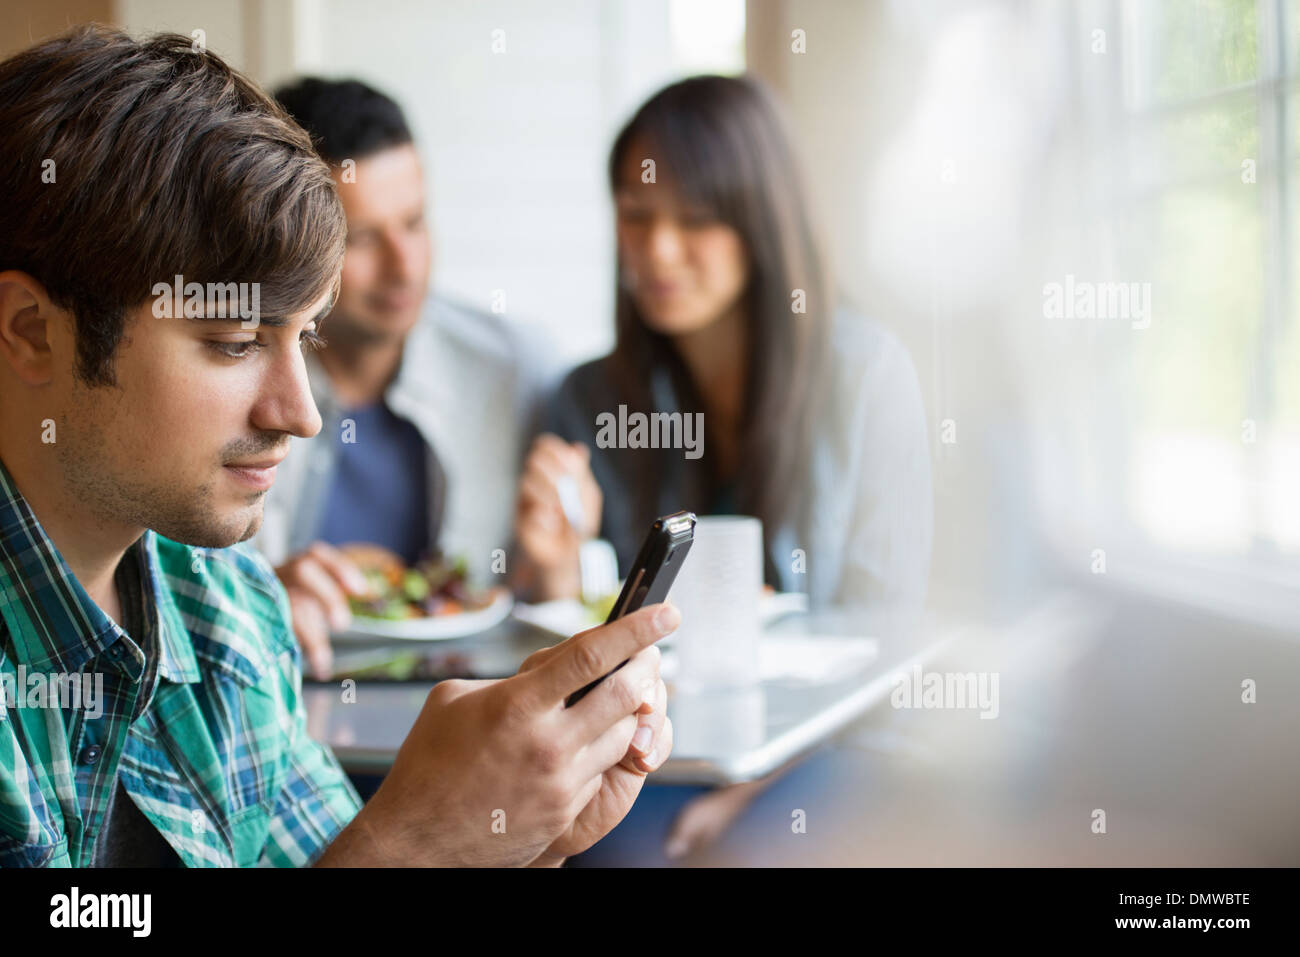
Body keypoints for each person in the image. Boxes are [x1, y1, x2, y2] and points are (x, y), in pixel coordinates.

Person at [0, 24, 671, 868]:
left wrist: (509, 838)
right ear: (31, 331)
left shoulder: (226, 600)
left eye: (306, 338)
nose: (303, 413)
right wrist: (411, 838)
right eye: (236, 342)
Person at [513, 75, 933, 863]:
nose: (657, 251)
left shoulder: (865, 376)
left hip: (825, 742)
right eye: (636, 218)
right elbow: (573, 646)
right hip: (651, 742)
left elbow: (889, 647)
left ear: (762, 224)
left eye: (696, 220)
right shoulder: (588, 398)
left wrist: (748, 787)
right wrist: (553, 575)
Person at [255, 78, 557, 681]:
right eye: (363, 238)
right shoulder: (229, 376)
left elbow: (544, 596)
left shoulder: (516, 371)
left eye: (414, 223)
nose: (405, 266)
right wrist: (256, 603)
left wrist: (559, 574)